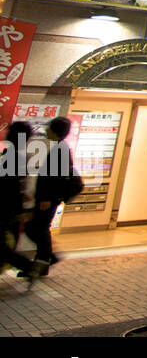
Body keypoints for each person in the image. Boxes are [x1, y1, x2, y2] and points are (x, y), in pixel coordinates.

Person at [20, 116, 80, 278]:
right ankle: (45, 261)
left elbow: (55, 177)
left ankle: (45, 261)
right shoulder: (59, 147)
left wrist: (47, 198)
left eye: (49, 128)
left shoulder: (59, 149)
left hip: (48, 199)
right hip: (49, 197)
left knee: (36, 228)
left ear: (54, 130)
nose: (46, 130)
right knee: (37, 228)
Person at [1, 122, 40, 283]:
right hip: (10, 207)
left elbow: (11, 185)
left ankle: (28, 266)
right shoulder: (16, 155)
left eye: (8, 131)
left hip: (5, 207)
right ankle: (27, 266)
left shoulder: (13, 157)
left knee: (2, 247)